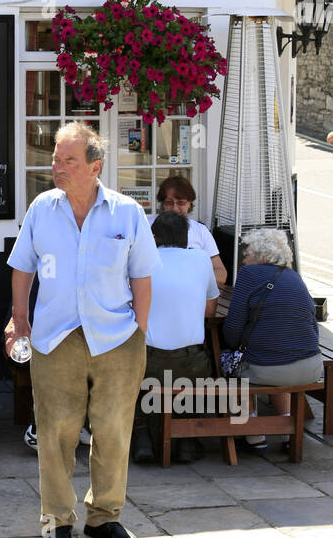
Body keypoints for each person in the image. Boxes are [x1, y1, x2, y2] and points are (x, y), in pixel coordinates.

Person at [5, 122, 159, 538]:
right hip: (55, 340)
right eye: (56, 158)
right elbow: (23, 267)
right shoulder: (41, 209)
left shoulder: (127, 213)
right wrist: (19, 319)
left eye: (68, 160)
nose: (58, 167)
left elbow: (143, 277)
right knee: (55, 434)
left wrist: (139, 334)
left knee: (113, 431)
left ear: (95, 167)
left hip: (116, 340)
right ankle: (56, 521)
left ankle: (105, 517)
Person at [222, 227, 323, 452]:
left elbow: (232, 330)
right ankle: (287, 428)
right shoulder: (294, 277)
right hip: (311, 367)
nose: (244, 259)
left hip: (268, 369)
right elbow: (312, 326)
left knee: (230, 360)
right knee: (278, 353)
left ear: (262, 256)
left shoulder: (249, 275)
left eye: (247, 253)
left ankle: (253, 435)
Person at [133, 211, 220, 465]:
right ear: (186, 238)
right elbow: (209, 311)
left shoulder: (139, 261)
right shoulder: (201, 259)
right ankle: (186, 442)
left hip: (148, 362)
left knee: (127, 370)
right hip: (190, 363)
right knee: (201, 367)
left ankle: (141, 438)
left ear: (154, 237)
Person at [155, 176, 227, 286]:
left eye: (181, 203)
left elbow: (221, 273)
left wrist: (189, 282)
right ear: (162, 203)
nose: (174, 208)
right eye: (169, 202)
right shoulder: (146, 225)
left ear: (190, 204)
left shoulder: (201, 231)